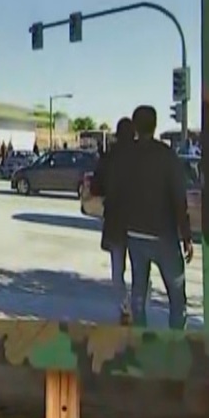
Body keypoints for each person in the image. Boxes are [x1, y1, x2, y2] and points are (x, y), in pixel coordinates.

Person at [112, 105, 194, 329]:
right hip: (163, 234)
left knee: (139, 292)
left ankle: (141, 339)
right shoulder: (167, 156)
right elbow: (179, 199)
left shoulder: (127, 157)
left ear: (135, 127)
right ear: (155, 125)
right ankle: (177, 342)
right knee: (176, 296)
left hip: (135, 234)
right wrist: (186, 235)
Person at [91, 117, 137, 324]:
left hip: (116, 219)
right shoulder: (141, 156)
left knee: (117, 272)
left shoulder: (109, 158)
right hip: (140, 220)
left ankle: (125, 306)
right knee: (140, 269)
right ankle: (138, 305)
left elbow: (96, 188)